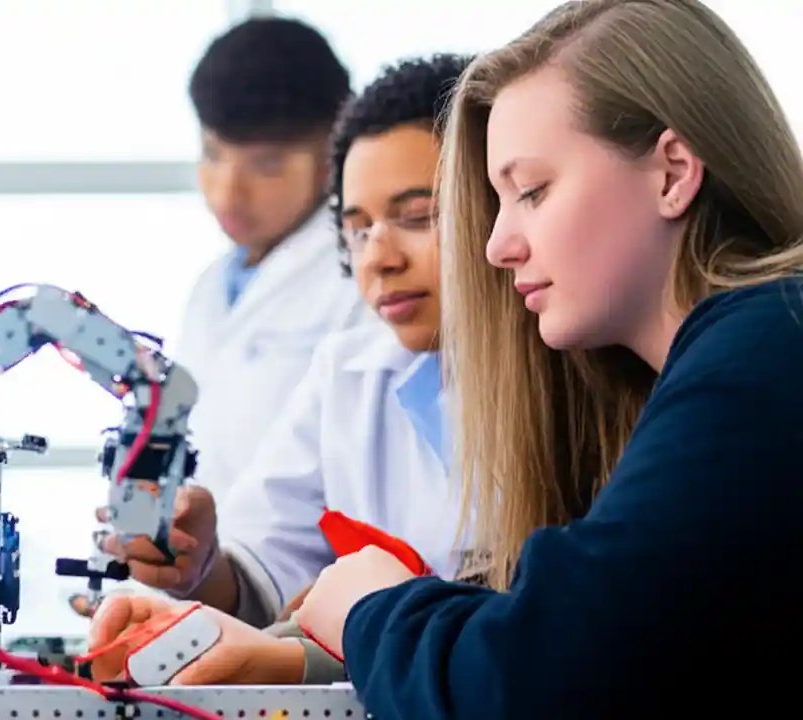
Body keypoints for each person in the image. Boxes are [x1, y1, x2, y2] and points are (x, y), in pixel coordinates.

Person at [287, 0, 803, 717]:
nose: (497, 247)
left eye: (531, 191)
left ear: (672, 173)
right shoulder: (731, 357)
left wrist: (370, 608)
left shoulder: (764, 353)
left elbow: (531, 681)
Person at [86, 54, 473, 685]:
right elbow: (269, 561)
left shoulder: (587, 379)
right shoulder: (349, 370)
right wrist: (199, 563)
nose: (378, 259)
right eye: (359, 229)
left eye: (417, 216)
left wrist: (304, 647)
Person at [175, 16, 372, 508]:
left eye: (266, 165)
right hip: (212, 572)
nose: (227, 192)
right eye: (213, 154)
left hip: (312, 576)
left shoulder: (363, 281)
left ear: (334, 149)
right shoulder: (211, 286)